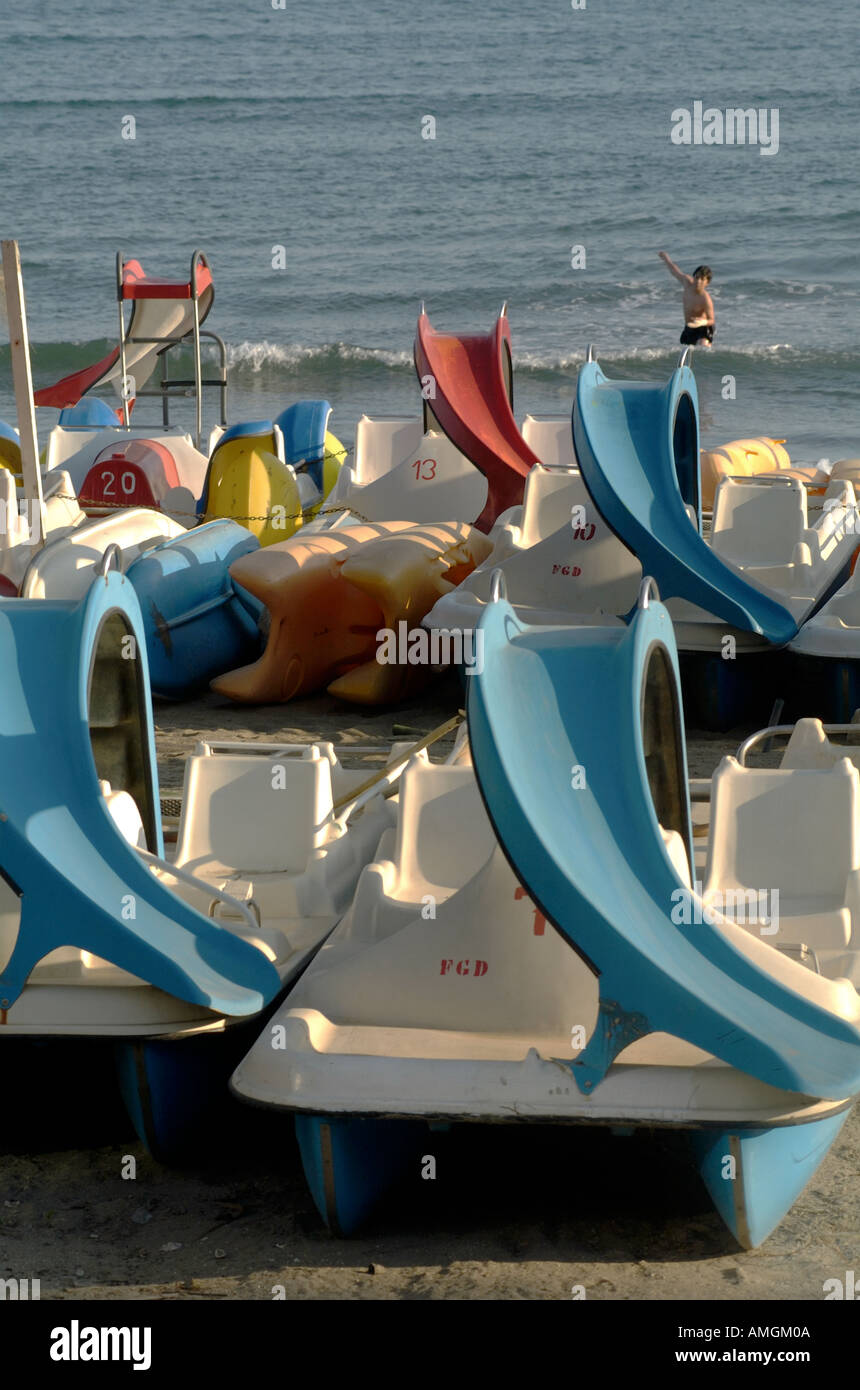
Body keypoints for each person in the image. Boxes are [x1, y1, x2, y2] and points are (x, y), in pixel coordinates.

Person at [658, 252, 715, 346]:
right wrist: (665, 258)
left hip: (703, 328)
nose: (698, 281)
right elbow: (674, 271)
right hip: (689, 327)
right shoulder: (687, 283)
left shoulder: (705, 299)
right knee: (686, 350)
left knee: (703, 345)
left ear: (707, 282)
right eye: (696, 278)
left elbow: (712, 320)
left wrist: (703, 322)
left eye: (702, 279)